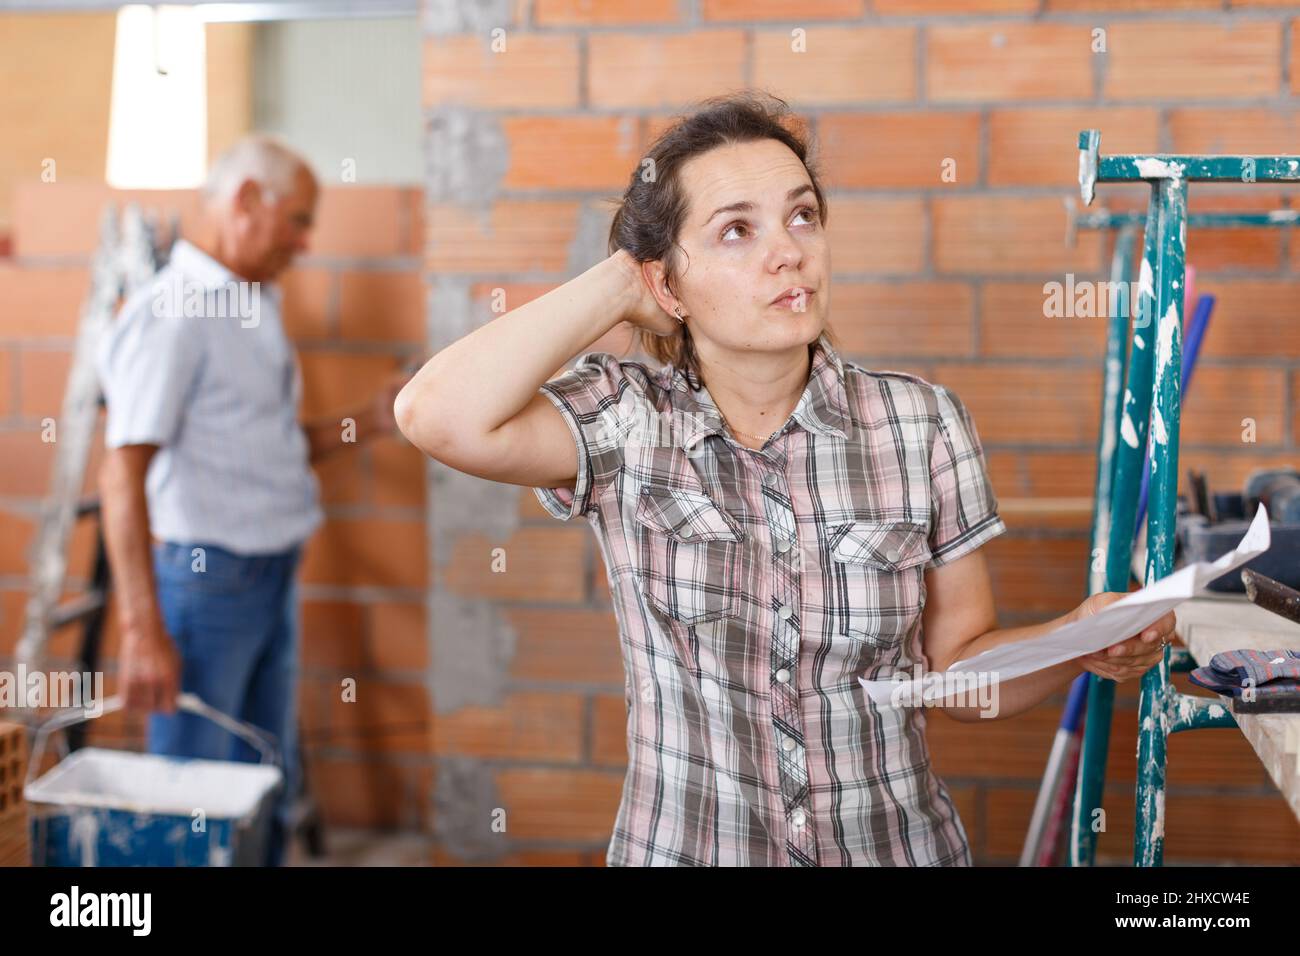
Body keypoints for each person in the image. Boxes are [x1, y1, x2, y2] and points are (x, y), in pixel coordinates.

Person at [394, 91, 1174, 866]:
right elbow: (437, 413)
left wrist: (1078, 641)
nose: (789, 251)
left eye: (802, 216)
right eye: (738, 229)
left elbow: (955, 671)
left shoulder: (921, 422)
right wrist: (625, 284)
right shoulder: (625, 419)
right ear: (668, 286)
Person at [97, 134, 400, 866]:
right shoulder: (174, 312)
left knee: (260, 779)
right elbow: (120, 473)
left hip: (267, 575)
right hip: (208, 585)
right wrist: (142, 629)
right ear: (244, 202)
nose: (303, 241)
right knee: (193, 789)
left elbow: (268, 442)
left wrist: (377, 418)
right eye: (297, 220)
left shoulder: (245, 306)